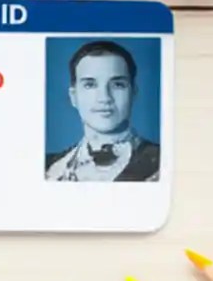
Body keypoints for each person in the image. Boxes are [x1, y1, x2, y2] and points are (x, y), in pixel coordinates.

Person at [45, 40, 160, 182]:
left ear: (133, 93)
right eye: (90, 85)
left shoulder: (161, 162)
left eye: (118, 85)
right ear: (73, 97)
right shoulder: (50, 168)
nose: (104, 98)